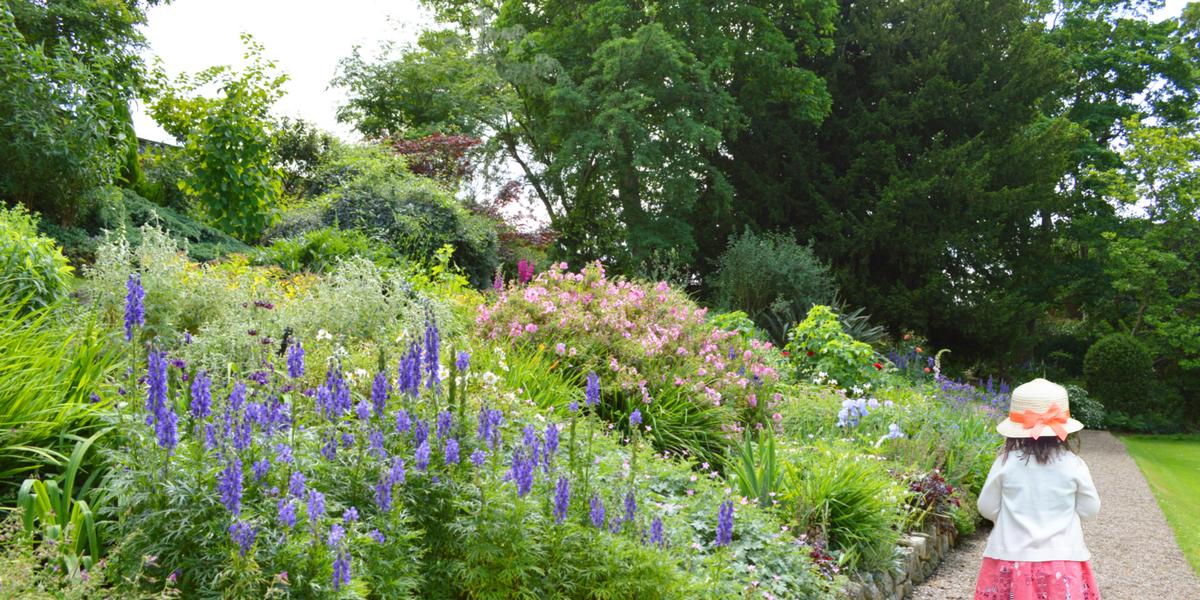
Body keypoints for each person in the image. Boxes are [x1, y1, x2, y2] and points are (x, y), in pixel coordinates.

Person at [974, 378, 1101, 600]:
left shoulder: (1006, 462)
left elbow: (986, 507)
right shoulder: (1074, 464)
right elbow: (1090, 510)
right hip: (1063, 558)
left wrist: (1007, 518)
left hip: (1009, 556)